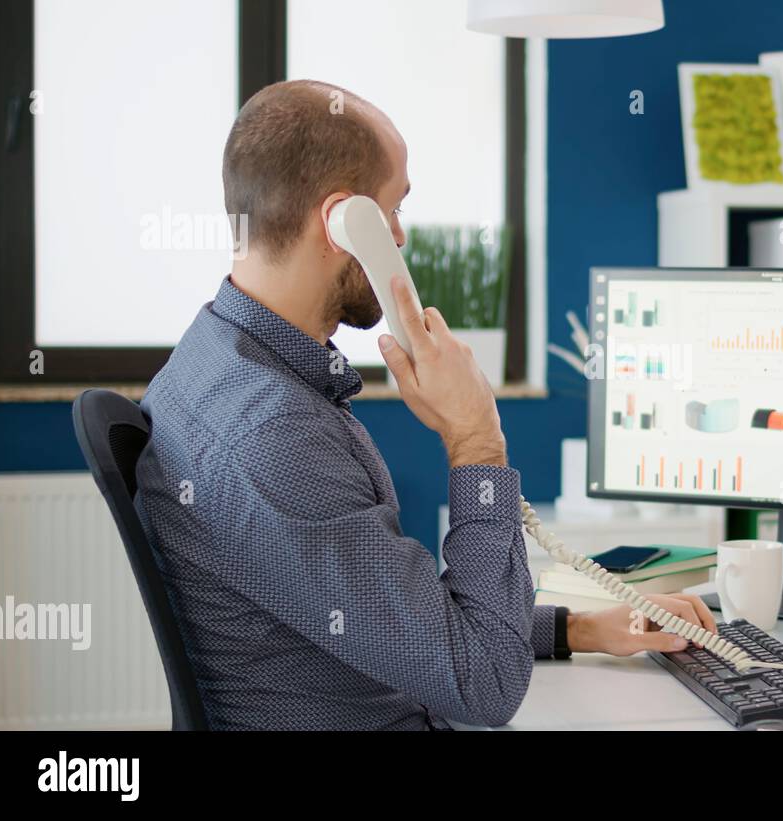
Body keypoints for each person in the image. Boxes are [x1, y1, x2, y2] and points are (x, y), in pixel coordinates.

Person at [135, 79, 716, 730]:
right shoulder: (275, 437)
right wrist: (477, 439)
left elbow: (387, 613)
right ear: (344, 223)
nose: (402, 238)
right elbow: (485, 686)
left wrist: (578, 628)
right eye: (392, 211)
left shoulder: (208, 361)